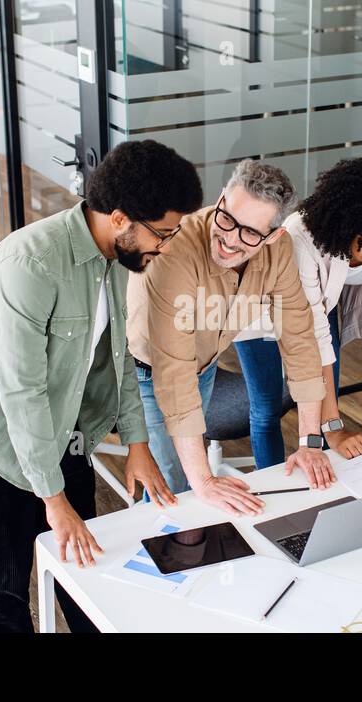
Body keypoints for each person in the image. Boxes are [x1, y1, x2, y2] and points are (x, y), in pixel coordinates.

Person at [0, 140, 202, 632]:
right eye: (162, 234)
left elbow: (117, 357)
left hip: (63, 430)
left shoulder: (114, 257)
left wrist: (138, 443)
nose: (164, 246)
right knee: (9, 583)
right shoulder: (31, 264)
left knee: (84, 567)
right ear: (121, 218)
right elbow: (22, 392)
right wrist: (53, 501)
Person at [126, 159, 335, 516]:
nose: (229, 240)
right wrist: (204, 480)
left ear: (274, 235)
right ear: (222, 197)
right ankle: (161, 562)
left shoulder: (278, 251)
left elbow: (299, 339)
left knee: (189, 487)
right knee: (175, 490)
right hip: (149, 372)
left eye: (251, 233)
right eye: (227, 219)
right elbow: (174, 374)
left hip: (205, 366)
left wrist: (310, 441)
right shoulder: (174, 251)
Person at [233, 154, 362, 463]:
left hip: (317, 303)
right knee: (267, 407)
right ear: (345, 228)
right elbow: (312, 336)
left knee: (326, 401)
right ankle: (274, 496)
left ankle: (329, 483)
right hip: (261, 308)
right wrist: (333, 429)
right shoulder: (302, 235)